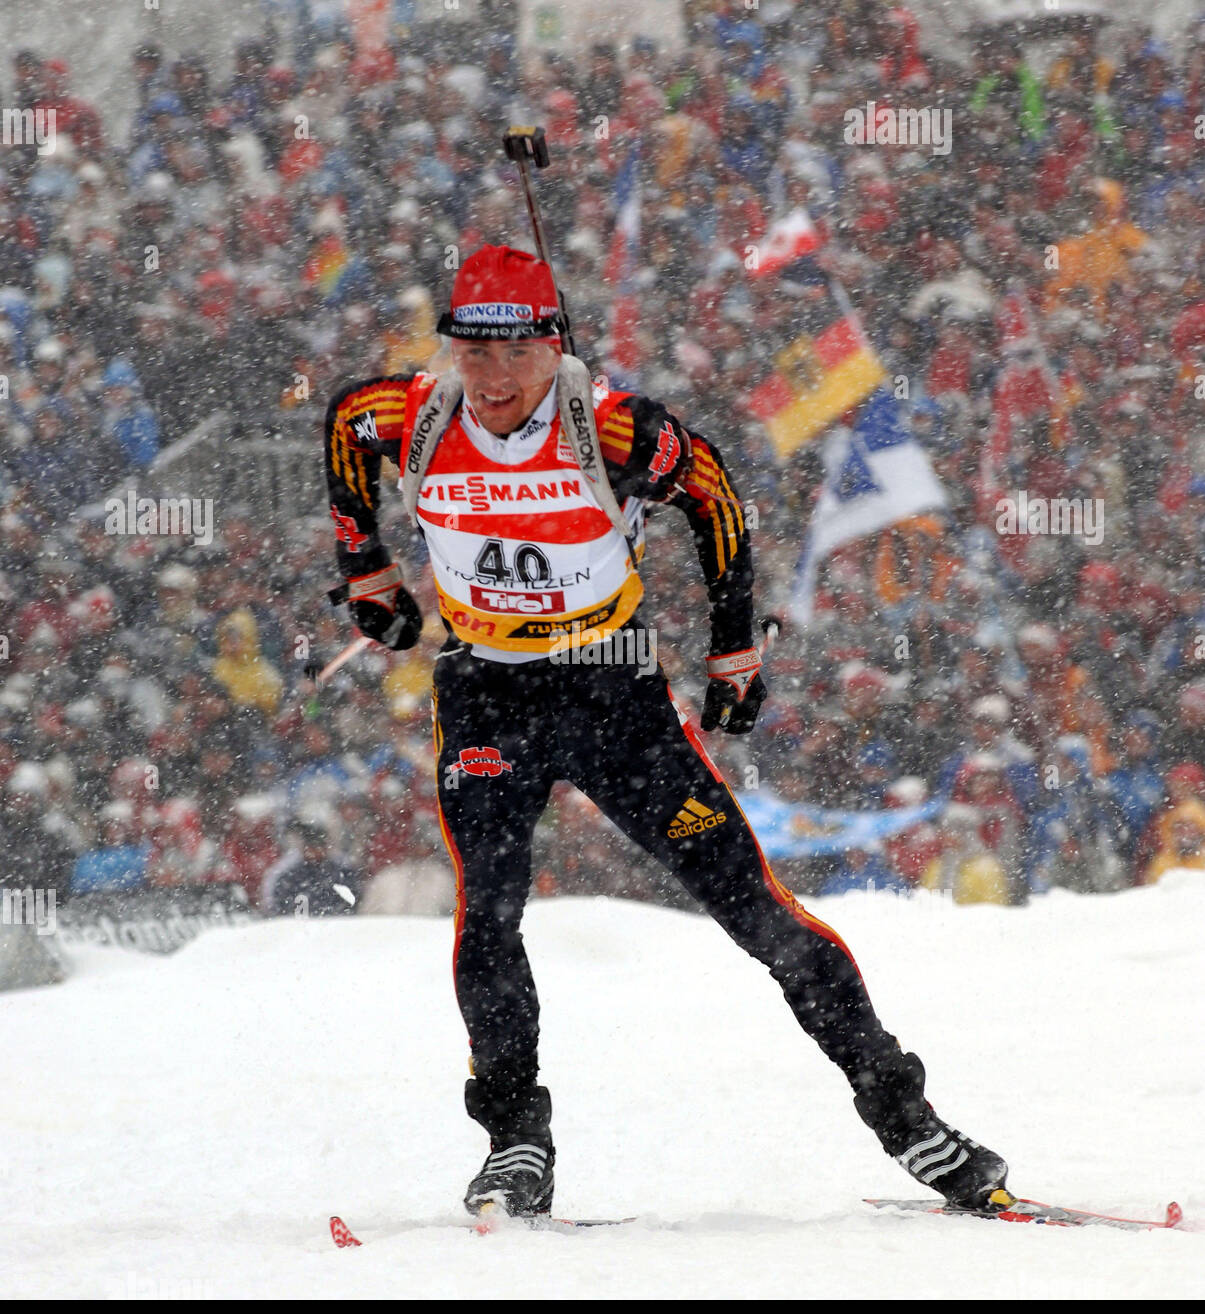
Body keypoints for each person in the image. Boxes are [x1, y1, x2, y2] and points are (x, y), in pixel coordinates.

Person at [321, 244, 1010, 1218]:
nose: (494, 374)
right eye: (473, 350)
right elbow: (343, 435)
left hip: (614, 699)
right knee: (488, 913)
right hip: (485, 693)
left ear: (551, 344)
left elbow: (715, 495)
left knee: (755, 911)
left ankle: (907, 1122)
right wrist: (367, 575)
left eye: (516, 349)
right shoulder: (403, 413)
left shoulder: (605, 425)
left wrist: (732, 650)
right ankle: (517, 1140)